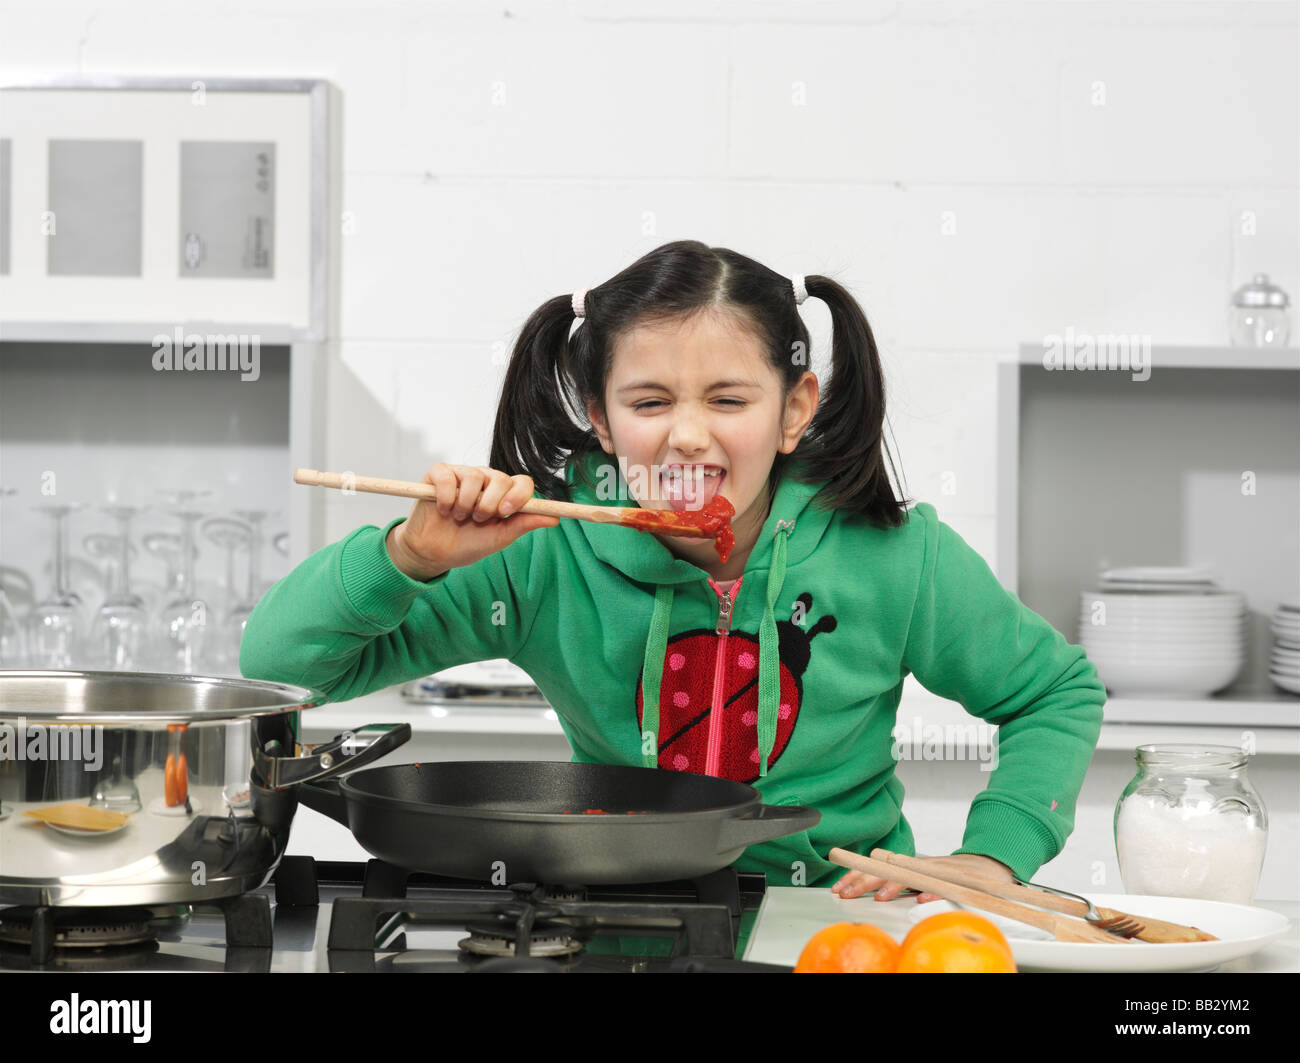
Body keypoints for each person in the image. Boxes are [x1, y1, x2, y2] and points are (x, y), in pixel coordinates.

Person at [240, 239, 1105, 900]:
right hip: (616, 908)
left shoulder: (895, 551)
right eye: (649, 403)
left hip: (839, 917)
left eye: (728, 400)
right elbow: (278, 670)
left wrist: (994, 853)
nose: (687, 434)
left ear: (795, 407)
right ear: (601, 419)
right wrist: (410, 556)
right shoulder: (539, 548)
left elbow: (1053, 691)